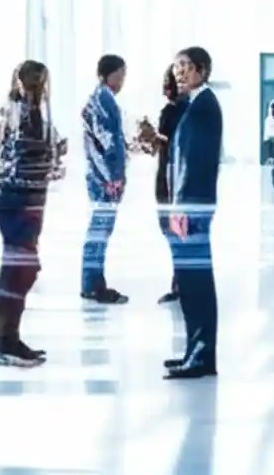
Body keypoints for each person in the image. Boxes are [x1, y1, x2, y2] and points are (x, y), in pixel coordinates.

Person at [0, 61, 66, 367]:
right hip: (16, 200)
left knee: (22, 269)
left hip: (26, 199)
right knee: (19, 269)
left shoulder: (27, 113)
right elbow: (25, 153)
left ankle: (11, 340)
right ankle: (6, 344)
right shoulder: (21, 113)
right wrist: (52, 155)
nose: (37, 88)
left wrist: (53, 154)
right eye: (33, 82)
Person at [164, 46, 223, 380]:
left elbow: (195, 162)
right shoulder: (197, 104)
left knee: (196, 281)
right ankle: (195, 351)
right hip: (192, 205)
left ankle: (201, 356)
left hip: (194, 207)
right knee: (190, 281)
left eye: (185, 66)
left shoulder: (203, 106)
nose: (178, 73)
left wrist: (182, 208)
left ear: (202, 69)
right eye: (176, 67)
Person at [80, 54, 130, 305]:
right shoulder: (103, 101)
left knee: (100, 230)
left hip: (101, 176)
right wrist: (114, 177)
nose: (122, 80)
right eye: (120, 74)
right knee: (99, 230)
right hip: (104, 178)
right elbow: (108, 143)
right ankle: (92, 285)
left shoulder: (101, 100)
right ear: (108, 74)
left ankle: (93, 282)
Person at [137, 65, 186, 305]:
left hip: (172, 179)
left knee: (176, 231)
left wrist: (153, 137)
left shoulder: (177, 111)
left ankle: (181, 284)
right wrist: (149, 139)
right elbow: (158, 147)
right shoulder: (177, 110)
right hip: (167, 176)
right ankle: (179, 282)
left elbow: (173, 142)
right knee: (174, 231)